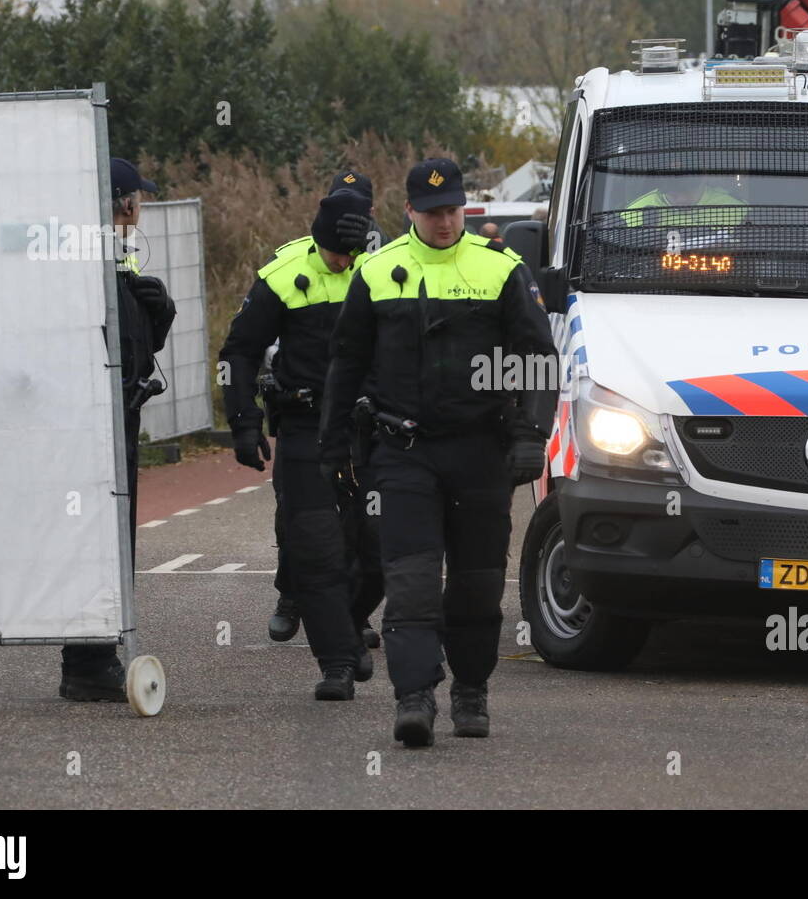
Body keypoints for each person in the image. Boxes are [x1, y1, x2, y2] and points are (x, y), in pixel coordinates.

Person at [320, 157, 558, 746]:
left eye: (452, 210)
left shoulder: (502, 268)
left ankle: (471, 692)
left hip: (481, 453)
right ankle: (415, 696)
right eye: (432, 213)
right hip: (402, 453)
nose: (444, 222)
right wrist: (333, 446)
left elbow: (537, 357)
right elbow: (346, 363)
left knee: (476, 587)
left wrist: (532, 433)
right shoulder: (377, 271)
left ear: (463, 209)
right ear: (409, 213)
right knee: (411, 584)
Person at [221, 189, 376, 700]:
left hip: (373, 431)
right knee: (316, 549)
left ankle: (350, 628)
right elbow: (239, 351)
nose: (345, 263)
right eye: (337, 254)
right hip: (307, 428)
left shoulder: (385, 269)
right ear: (319, 239)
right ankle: (334, 663)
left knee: (378, 549)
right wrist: (244, 423)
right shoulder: (283, 276)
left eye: (352, 254)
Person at [61, 157, 176, 701]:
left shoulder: (113, 262)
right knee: (99, 540)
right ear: (124, 203)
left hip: (117, 424)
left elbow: (131, 350)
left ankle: (95, 654)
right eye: (139, 199)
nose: (142, 209)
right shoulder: (88, 265)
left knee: (114, 539)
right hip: (93, 433)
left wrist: (157, 317)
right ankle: (86, 661)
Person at [267, 171, 384, 651]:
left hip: (361, 412)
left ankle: (353, 615)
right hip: (305, 412)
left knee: (362, 521)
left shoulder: (387, 260)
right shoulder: (294, 259)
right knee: (298, 515)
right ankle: (290, 594)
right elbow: (262, 335)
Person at [619, 173, 749, 227]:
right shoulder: (633, 213)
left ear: (703, 181)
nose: (681, 200)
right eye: (674, 194)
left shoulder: (734, 208)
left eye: (688, 192)